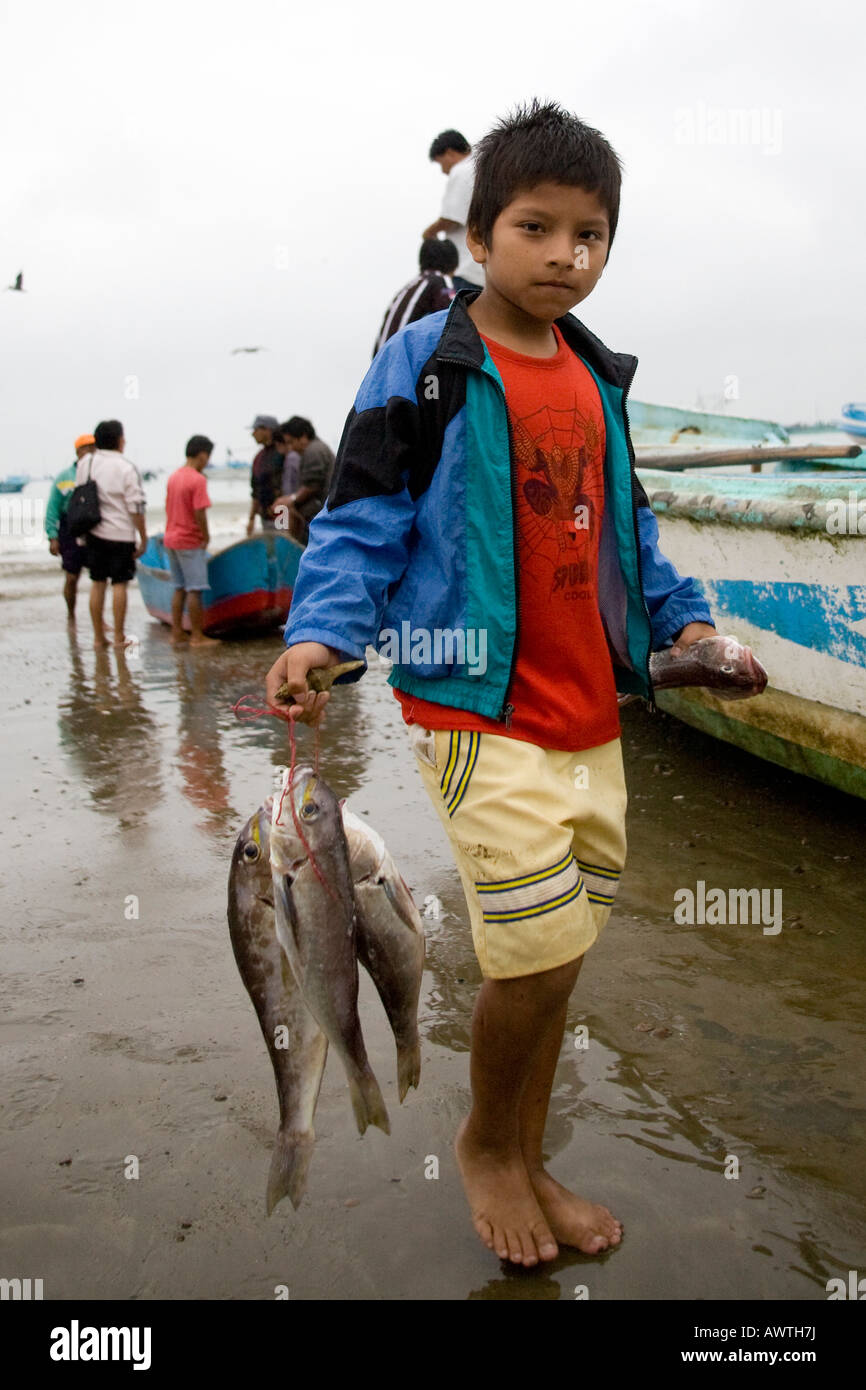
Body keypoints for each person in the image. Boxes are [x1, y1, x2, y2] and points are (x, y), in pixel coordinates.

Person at [265, 100, 753, 1269]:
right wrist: (322, 634)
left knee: (562, 947)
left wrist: (682, 621)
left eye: (590, 236)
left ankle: (530, 1149)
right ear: (475, 237)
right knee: (529, 953)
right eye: (535, 228)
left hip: (591, 710)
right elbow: (363, 514)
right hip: (472, 704)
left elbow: (622, 527)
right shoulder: (429, 361)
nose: (563, 256)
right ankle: (490, 1147)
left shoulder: (593, 375)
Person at [78, 419, 147, 649]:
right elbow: (135, 507)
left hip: (93, 532)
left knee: (97, 583)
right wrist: (143, 536)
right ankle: (118, 637)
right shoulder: (126, 467)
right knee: (119, 584)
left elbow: (80, 496)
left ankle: (99, 638)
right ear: (119, 440)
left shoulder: (86, 463)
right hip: (121, 534)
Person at [163, 435, 219, 647]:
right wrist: (205, 536)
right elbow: (199, 512)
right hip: (189, 540)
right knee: (195, 589)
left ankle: (176, 633)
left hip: (171, 538)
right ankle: (197, 636)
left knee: (179, 588)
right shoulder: (198, 479)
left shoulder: (174, 476)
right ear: (203, 454)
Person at [373, 238, 458, 356]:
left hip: (381, 360)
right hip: (403, 361)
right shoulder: (441, 280)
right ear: (453, 265)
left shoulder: (412, 285)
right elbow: (454, 319)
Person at [423, 129, 484, 292]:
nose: (443, 171)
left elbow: (451, 218)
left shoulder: (463, 170)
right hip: (484, 268)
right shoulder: (483, 168)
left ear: (449, 153)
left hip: (467, 268)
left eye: (440, 163)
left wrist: (428, 233)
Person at [45, 433, 96, 620]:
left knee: (99, 577)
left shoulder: (98, 473)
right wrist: (52, 537)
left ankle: (99, 619)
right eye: (87, 447)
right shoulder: (64, 477)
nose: (91, 451)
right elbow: (53, 509)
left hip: (93, 527)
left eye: (94, 447)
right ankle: (71, 614)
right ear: (78, 451)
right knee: (71, 576)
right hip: (70, 527)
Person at [270, 417, 334, 544]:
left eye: (291, 442)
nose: (291, 448)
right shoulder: (315, 448)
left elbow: (312, 486)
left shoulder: (313, 451)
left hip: (322, 514)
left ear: (303, 437)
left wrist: (291, 500)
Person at [246, 415, 282, 536]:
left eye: (255, 430)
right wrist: (251, 519)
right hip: (265, 516)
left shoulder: (283, 454)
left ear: (267, 430)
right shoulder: (258, 458)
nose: (253, 434)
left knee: (284, 549)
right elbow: (255, 490)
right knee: (271, 551)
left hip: (283, 514)